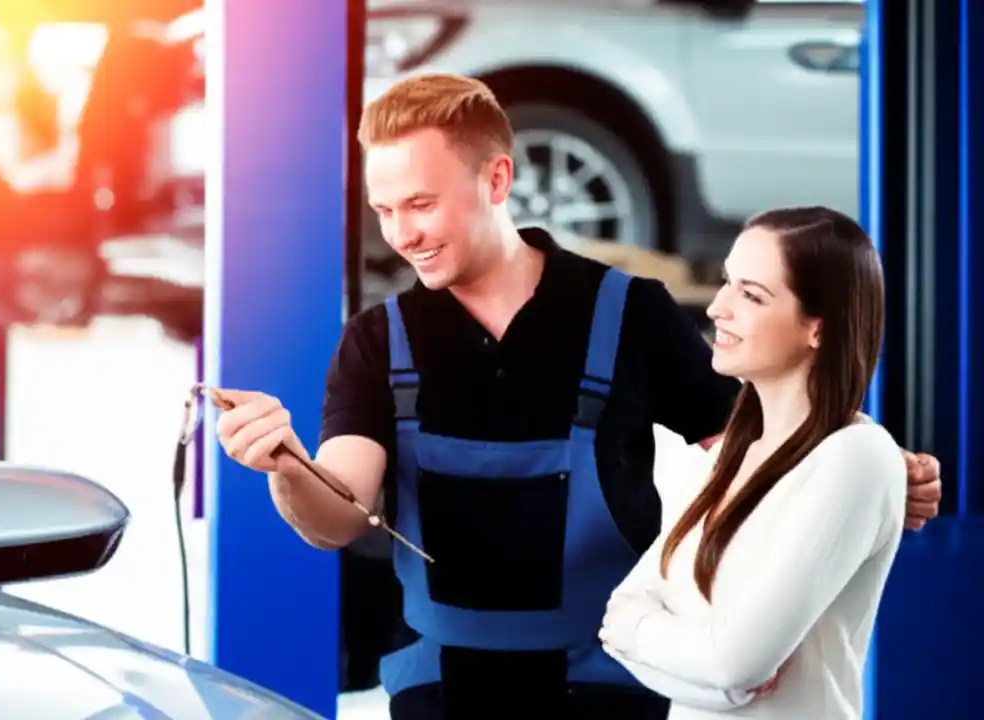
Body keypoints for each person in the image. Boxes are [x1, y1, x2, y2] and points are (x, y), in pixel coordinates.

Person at [213, 73, 942, 719]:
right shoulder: (378, 339)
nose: (402, 234)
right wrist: (285, 468)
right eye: (385, 210)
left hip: (614, 682)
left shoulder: (629, 313)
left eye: (421, 204)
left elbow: (753, 443)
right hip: (438, 689)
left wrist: (862, 466)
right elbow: (340, 512)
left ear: (497, 180)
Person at [598, 208, 906, 718]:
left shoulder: (856, 458)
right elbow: (617, 619)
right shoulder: (726, 454)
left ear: (818, 328)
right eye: (727, 282)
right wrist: (717, 682)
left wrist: (661, 642)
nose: (719, 307)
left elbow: (736, 661)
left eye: (752, 294)